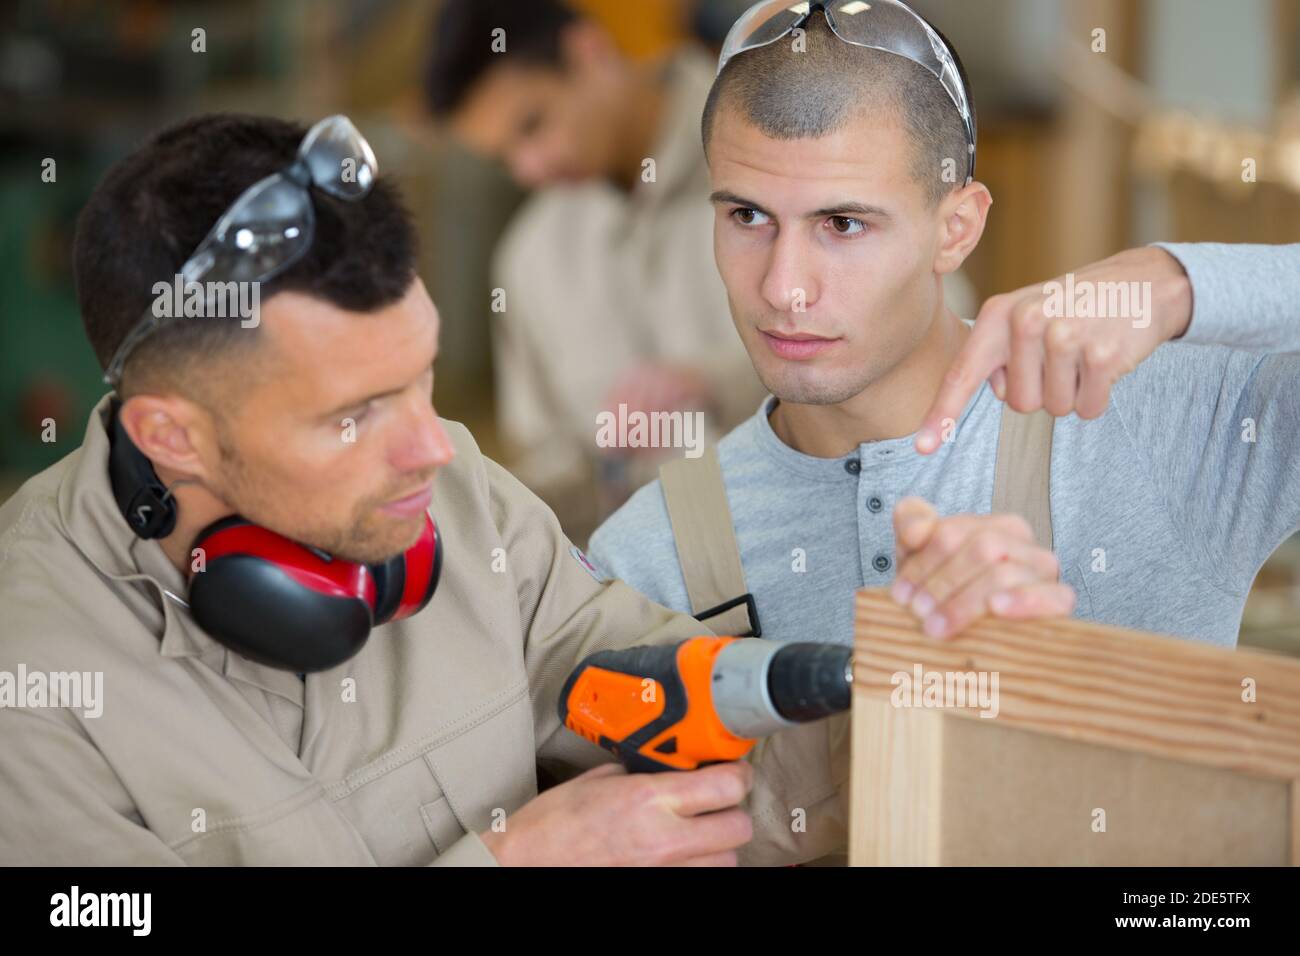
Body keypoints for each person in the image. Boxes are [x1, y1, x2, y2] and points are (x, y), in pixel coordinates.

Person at [0, 113, 845, 866]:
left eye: (422, 376)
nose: (435, 449)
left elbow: (727, 756)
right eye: (356, 414)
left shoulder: (459, 504)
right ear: (171, 436)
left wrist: (928, 665)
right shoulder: (31, 685)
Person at [587, 0, 1300, 650]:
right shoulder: (649, 559)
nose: (784, 288)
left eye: (842, 223)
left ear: (956, 230)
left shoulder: (1171, 424)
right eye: (747, 216)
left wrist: (1180, 282)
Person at [423, 0, 973, 541]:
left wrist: (713, 384)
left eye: (534, 124)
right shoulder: (530, 258)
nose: (530, 167)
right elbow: (545, 484)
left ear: (586, 52)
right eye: (503, 157)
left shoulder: (791, 132)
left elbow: (946, 333)